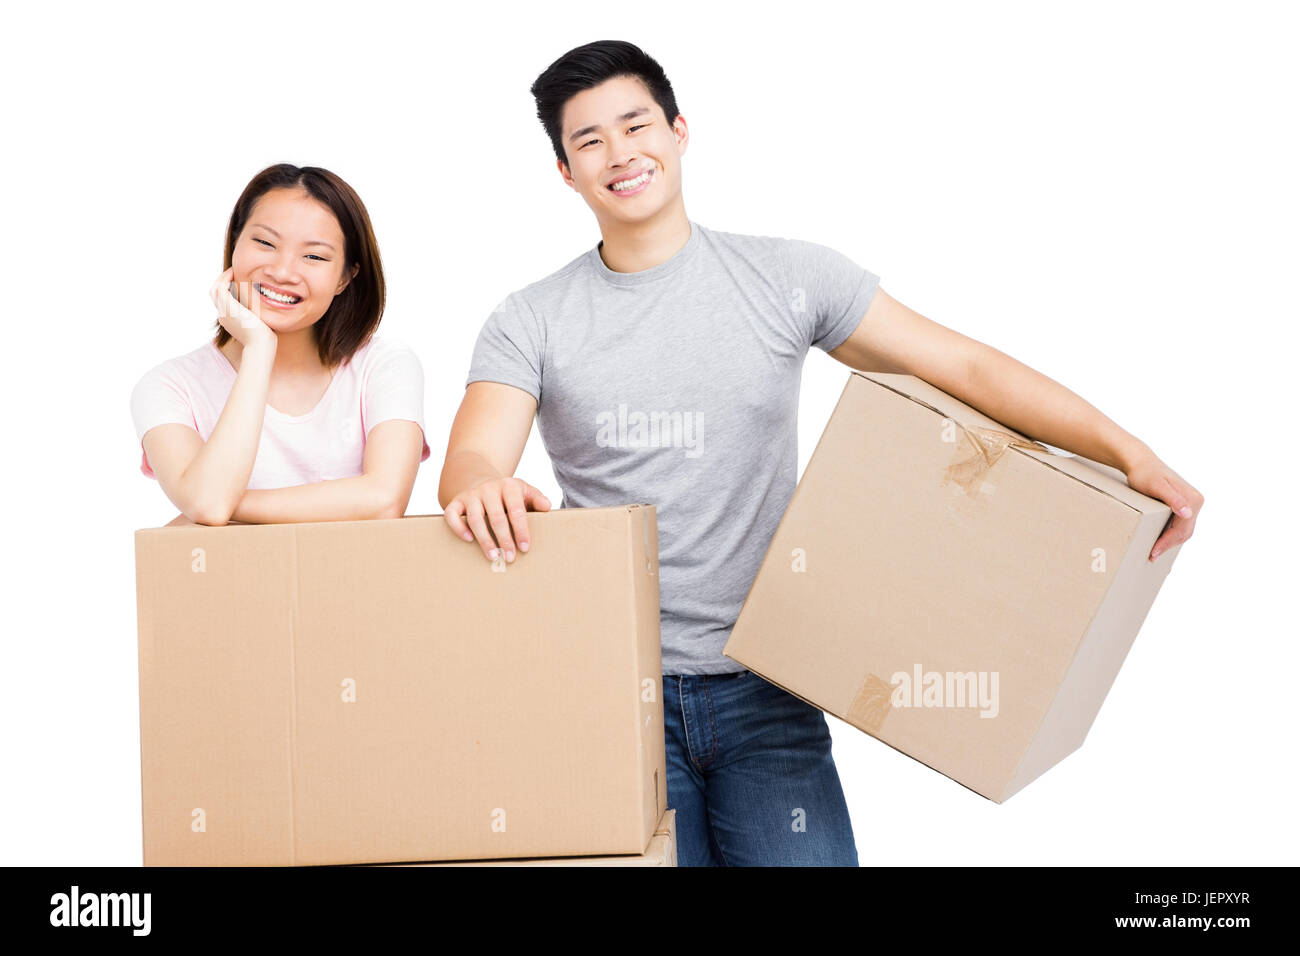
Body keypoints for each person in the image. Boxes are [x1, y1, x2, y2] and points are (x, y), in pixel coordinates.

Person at [438, 41, 1203, 866]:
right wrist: (482, 484)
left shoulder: (787, 279)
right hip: (612, 692)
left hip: (768, 685)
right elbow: (474, 457)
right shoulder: (532, 319)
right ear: (565, 171)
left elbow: (965, 367)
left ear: (679, 131)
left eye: (636, 125)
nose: (620, 153)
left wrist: (1126, 449)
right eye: (589, 140)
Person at [131, 163, 430, 525]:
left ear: (345, 277)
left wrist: (220, 502)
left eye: (314, 256)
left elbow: (384, 500)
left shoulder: (383, 365)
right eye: (265, 243)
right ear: (234, 244)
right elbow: (209, 504)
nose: (283, 272)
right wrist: (258, 349)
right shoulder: (168, 386)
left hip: (360, 582)